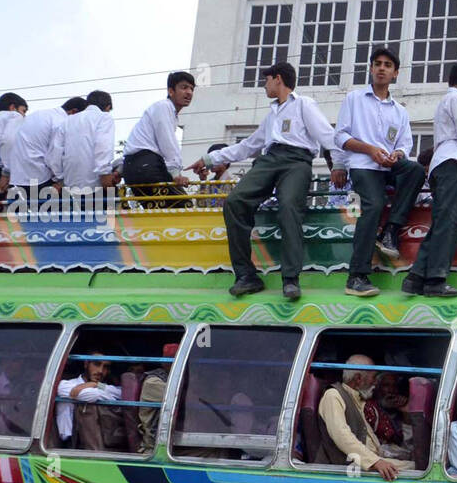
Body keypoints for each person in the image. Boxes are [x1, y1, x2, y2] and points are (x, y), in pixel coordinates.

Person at [190, 62, 342, 301]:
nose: (264, 86)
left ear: (277, 79)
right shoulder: (271, 116)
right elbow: (247, 147)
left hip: (297, 161)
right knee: (235, 202)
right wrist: (209, 159)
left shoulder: (304, 104)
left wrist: (340, 163)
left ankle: (290, 279)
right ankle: (246, 276)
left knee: (289, 207)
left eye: (266, 80)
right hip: (269, 160)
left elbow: (327, 135)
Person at [334, 47, 424, 292]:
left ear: (395, 73)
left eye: (387, 65)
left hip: (389, 166)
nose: (381, 68)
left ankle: (391, 230)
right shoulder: (354, 99)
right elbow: (340, 136)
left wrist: (397, 154)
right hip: (364, 165)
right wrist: (370, 150)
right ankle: (356, 277)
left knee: (415, 170)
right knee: (372, 205)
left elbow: (405, 144)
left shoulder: (400, 111)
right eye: (377, 64)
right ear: (371, 69)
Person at [403, 61, 457, 298]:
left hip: (442, 165)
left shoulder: (445, 100)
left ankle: (417, 276)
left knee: (442, 222)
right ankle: (436, 280)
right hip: (454, 165)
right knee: (449, 223)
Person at [316, 355, 412, 481]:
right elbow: (341, 434)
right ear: (358, 379)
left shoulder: (360, 399)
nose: (375, 382)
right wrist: (375, 462)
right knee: (416, 469)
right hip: (349, 466)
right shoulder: (333, 395)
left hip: (367, 461)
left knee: (417, 465)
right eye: (373, 378)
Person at [123, 70, 194, 206]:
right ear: (171, 91)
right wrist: (176, 173)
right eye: (184, 87)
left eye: (191, 88)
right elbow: (167, 141)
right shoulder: (164, 107)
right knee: (184, 206)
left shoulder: (165, 111)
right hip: (147, 167)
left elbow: (136, 144)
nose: (189, 92)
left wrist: (120, 169)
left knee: (159, 213)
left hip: (136, 168)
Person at [7, 97, 86, 198]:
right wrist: (60, 180)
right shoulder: (61, 122)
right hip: (39, 178)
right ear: (74, 112)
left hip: (17, 177)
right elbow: (53, 157)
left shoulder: (40, 114)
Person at [56, 352, 124, 450]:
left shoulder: (104, 387)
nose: (100, 370)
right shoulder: (65, 384)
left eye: (105, 367)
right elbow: (93, 395)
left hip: (96, 445)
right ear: (86, 364)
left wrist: (96, 385)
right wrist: (96, 390)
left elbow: (119, 393)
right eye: (97, 364)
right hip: (66, 444)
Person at [58, 89, 118, 193]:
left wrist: (58, 178)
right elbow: (103, 146)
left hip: (70, 186)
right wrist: (105, 173)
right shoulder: (104, 117)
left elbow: (56, 151)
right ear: (107, 107)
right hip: (95, 186)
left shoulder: (67, 121)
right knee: (114, 208)